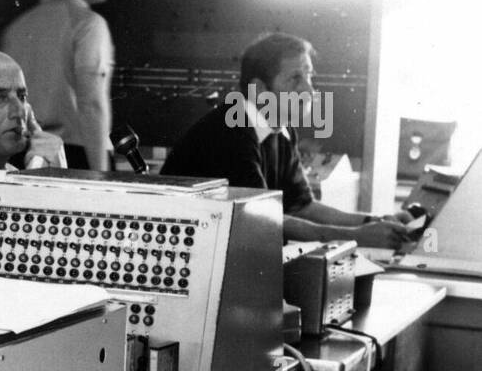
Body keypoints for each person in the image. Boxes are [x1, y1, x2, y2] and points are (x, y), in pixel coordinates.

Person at [162, 32, 412, 249]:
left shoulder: (282, 130)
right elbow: (262, 220)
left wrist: (376, 221)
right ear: (259, 90)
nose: (309, 90)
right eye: (294, 79)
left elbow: (302, 206)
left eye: (309, 76)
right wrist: (357, 237)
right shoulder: (231, 130)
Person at [0, 0, 114, 171]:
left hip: (23, 155)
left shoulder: (17, 27)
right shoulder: (89, 24)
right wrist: (101, 174)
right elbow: (91, 103)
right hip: (76, 155)